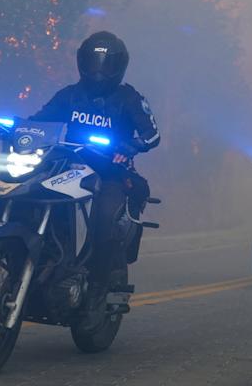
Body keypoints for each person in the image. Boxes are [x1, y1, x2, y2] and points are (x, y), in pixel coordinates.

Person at [28, 31, 160, 322]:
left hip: (111, 172)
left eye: (106, 65)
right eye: (93, 63)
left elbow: (152, 136)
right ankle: (35, 262)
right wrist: (15, 129)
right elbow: (39, 120)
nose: (98, 71)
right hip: (66, 167)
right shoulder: (70, 95)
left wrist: (130, 146)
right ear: (82, 63)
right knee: (29, 194)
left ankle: (97, 292)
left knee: (104, 220)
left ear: (119, 66)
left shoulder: (129, 98)